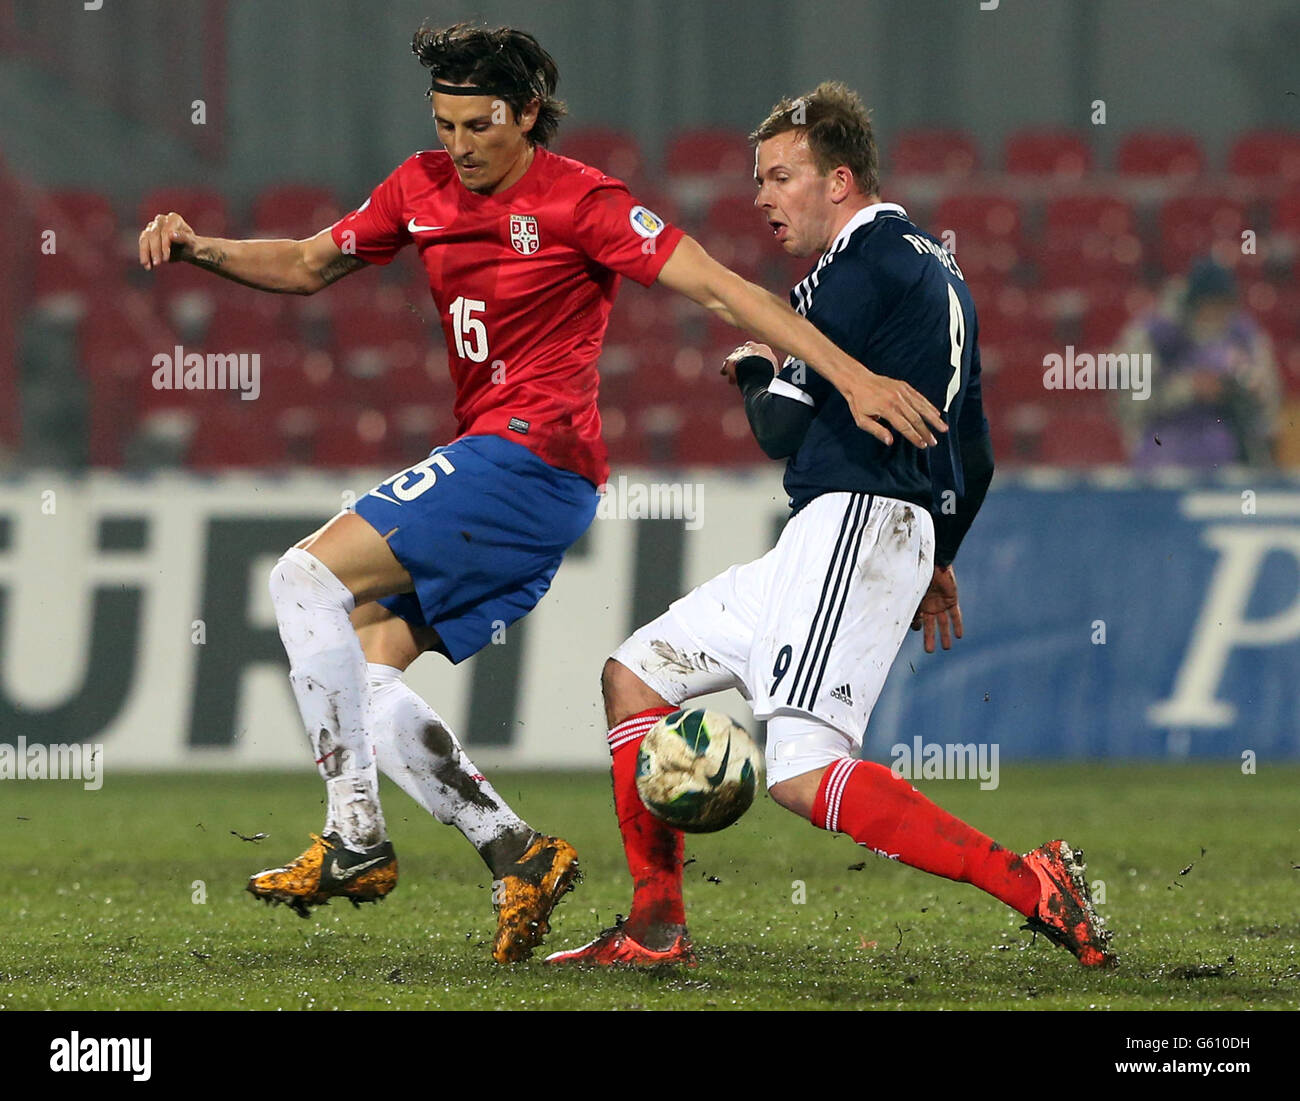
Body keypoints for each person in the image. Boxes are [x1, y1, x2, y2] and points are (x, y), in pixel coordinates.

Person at [136, 27, 946, 963]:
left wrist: (848, 375)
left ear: (525, 115)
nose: (460, 145)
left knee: (299, 578)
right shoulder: (420, 187)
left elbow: (725, 293)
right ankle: (515, 852)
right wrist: (201, 249)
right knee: (365, 671)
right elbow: (313, 263)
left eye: (480, 124)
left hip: (531, 460)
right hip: (507, 474)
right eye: (444, 125)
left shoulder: (581, 200)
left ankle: (354, 833)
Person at [547, 82, 1115, 969]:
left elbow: (779, 429)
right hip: (855, 532)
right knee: (636, 675)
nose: (762, 197)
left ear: (840, 180)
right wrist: (940, 552)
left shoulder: (847, 271)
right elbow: (979, 450)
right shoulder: (938, 272)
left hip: (853, 523)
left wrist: (750, 366)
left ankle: (1032, 881)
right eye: (758, 180)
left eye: (780, 177)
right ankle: (656, 929)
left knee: (801, 771)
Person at [1116, 257, 1280, 469]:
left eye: (1223, 305)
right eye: (1209, 305)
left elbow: (1268, 402)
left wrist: (1245, 391)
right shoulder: (1154, 336)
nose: (1215, 314)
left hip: (1228, 452)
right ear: (1194, 303)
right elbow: (1129, 406)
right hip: (1163, 451)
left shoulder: (1244, 336)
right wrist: (1188, 388)